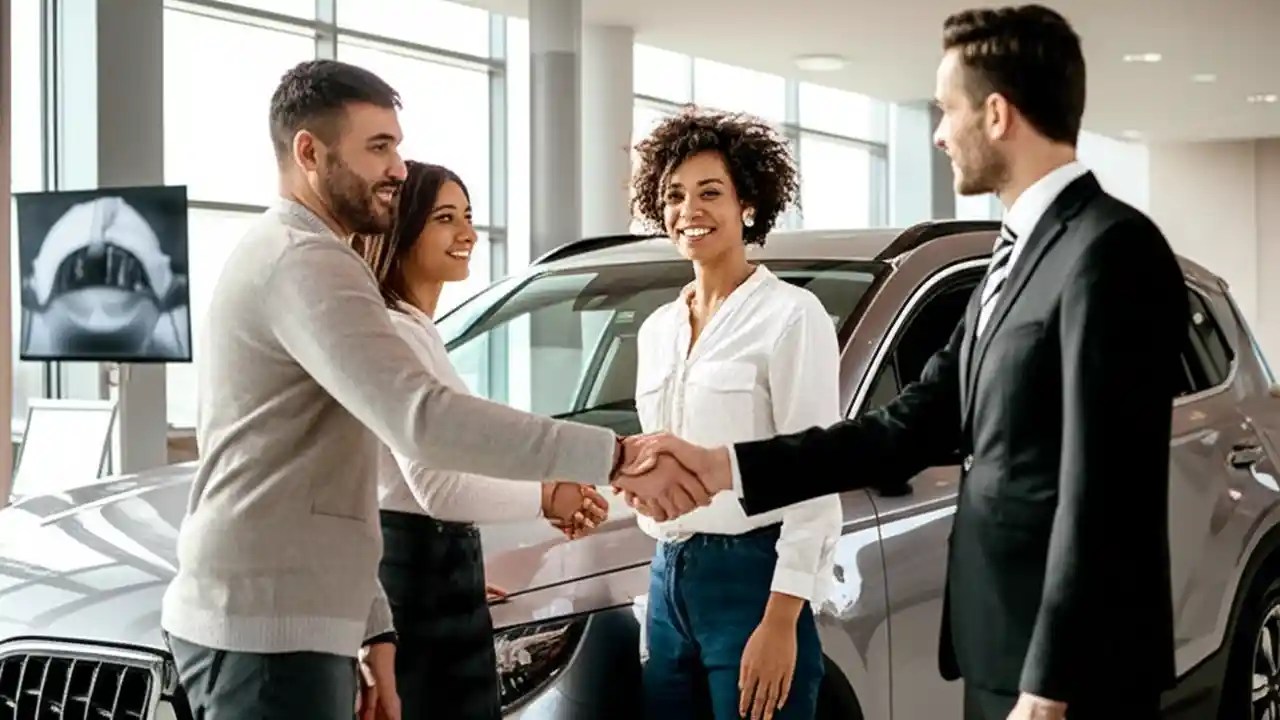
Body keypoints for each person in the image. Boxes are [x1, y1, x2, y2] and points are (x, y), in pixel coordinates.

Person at [620, 6, 1187, 720]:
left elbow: (1107, 490)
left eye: (948, 111)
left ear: (998, 114)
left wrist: (1050, 685)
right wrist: (726, 465)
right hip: (1001, 650)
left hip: (1070, 671)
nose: (940, 133)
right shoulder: (1013, 259)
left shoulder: (1110, 251)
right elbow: (905, 427)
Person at [158, 59, 704, 720]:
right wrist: (615, 457)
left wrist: (373, 623)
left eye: (397, 146)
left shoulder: (297, 255)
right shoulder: (308, 261)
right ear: (309, 152)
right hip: (267, 634)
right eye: (379, 147)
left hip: (287, 622)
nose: (397, 167)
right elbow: (426, 421)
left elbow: (339, 481)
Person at [351, 160, 611, 720]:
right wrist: (546, 495)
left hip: (425, 582)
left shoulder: (416, 330)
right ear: (403, 227)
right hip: (413, 600)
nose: (468, 234)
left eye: (468, 216)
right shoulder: (396, 333)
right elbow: (437, 487)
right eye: (446, 218)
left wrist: (460, 578)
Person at [627, 108, 843, 720]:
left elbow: (814, 476)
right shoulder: (656, 328)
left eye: (709, 192)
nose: (689, 210)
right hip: (667, 581)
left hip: (755, 579)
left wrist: (782, 620)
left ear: (748, 203)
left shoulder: (791, 316)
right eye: (675, 195)